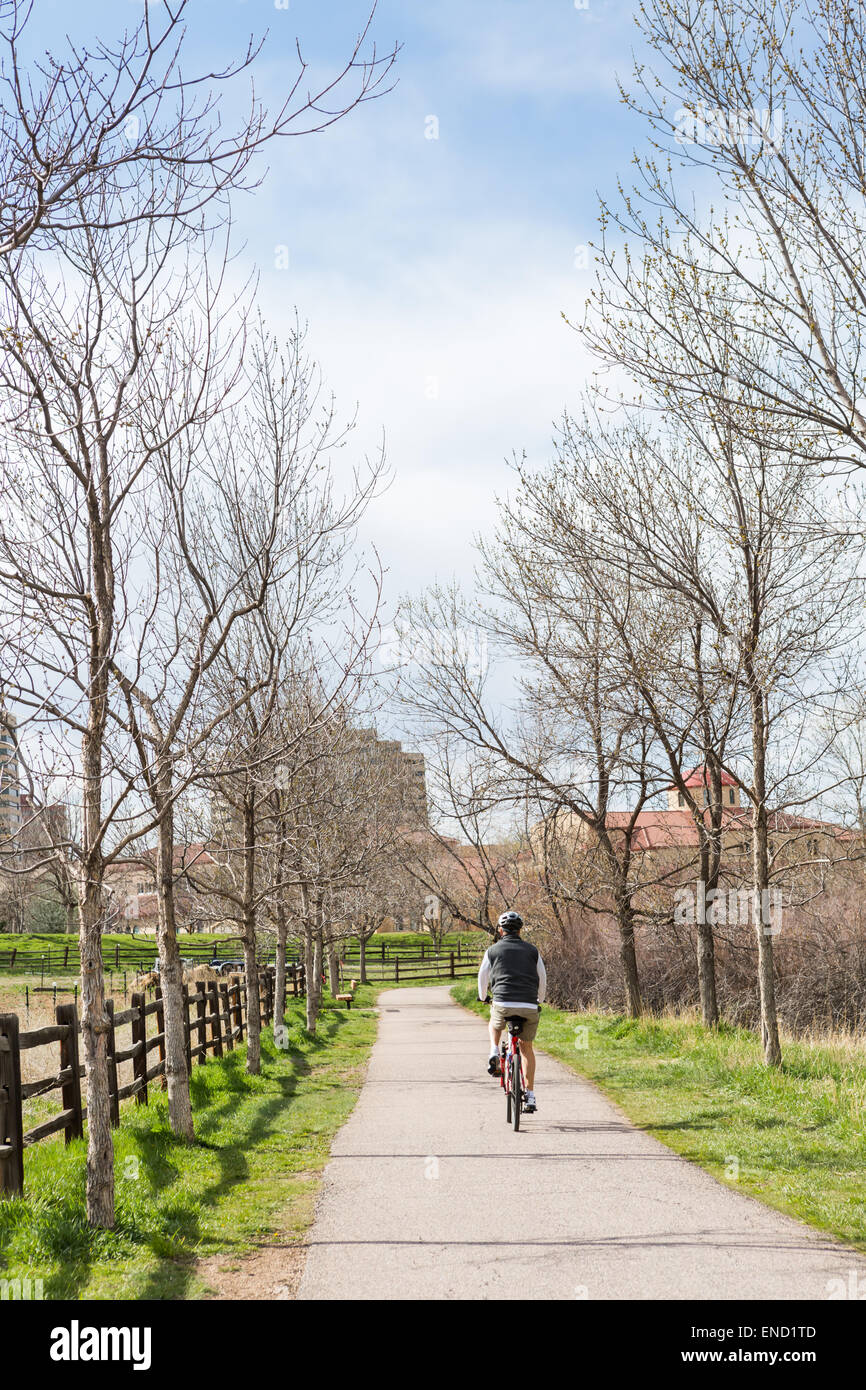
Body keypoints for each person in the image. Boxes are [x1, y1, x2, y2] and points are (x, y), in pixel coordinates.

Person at [477, 911, 546, 1114]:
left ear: (500, 930)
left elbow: (483, 976)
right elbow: (542, 978)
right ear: (520, 930)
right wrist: (539, 1001)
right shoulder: (533, 951)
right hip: (528, 1005)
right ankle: (530, 1096)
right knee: (526, 1049)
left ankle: (494, 1051)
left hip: (502, 1002)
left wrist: (483, 997)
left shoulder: (492, 950)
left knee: (495, 1021)